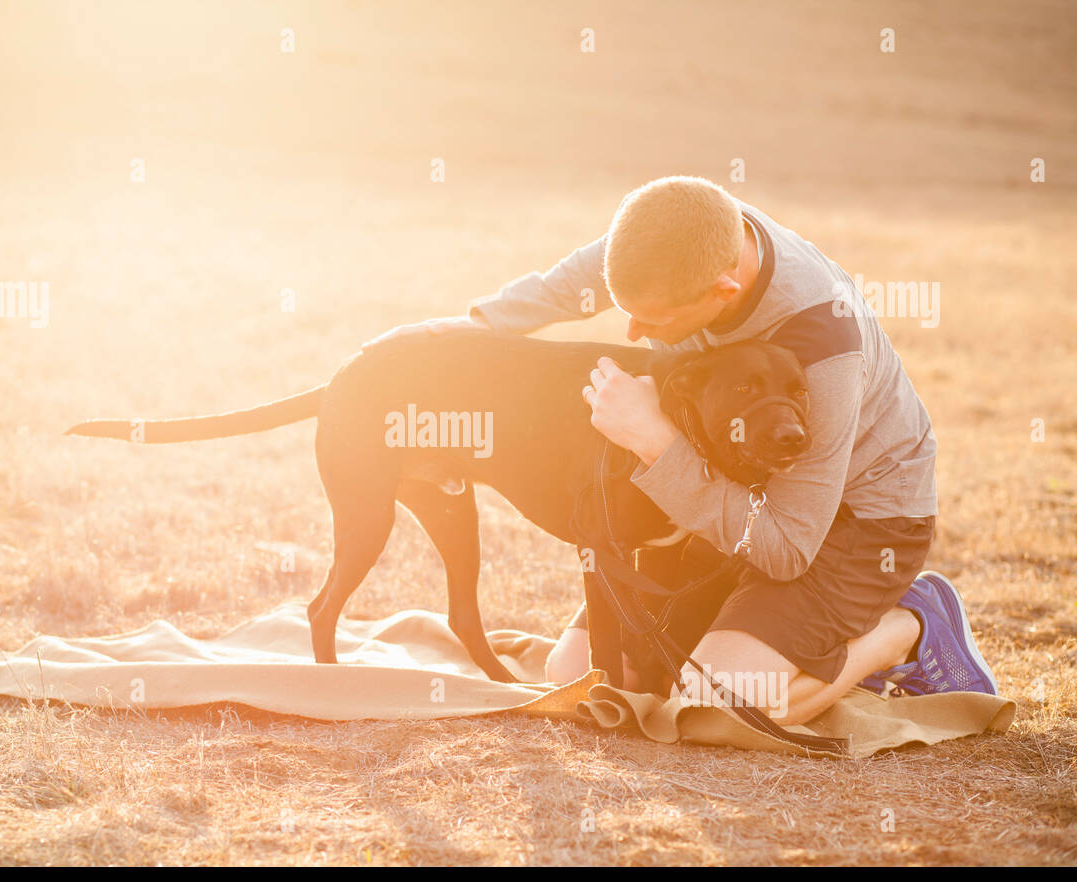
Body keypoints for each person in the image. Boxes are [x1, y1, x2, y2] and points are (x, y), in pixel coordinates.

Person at [366, 176, 997, 724]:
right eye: (626, 312)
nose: (635, 333)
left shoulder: (821, 343)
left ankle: (911, 627)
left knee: (714, 698)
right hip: (732, 495)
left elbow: (786, 547)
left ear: (724, 290)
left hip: (852, 523)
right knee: (580, 675)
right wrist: (475, 325)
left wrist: (654, 441)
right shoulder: (686, 230)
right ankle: (785, 640)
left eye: (654, 320)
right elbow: (586, 278)